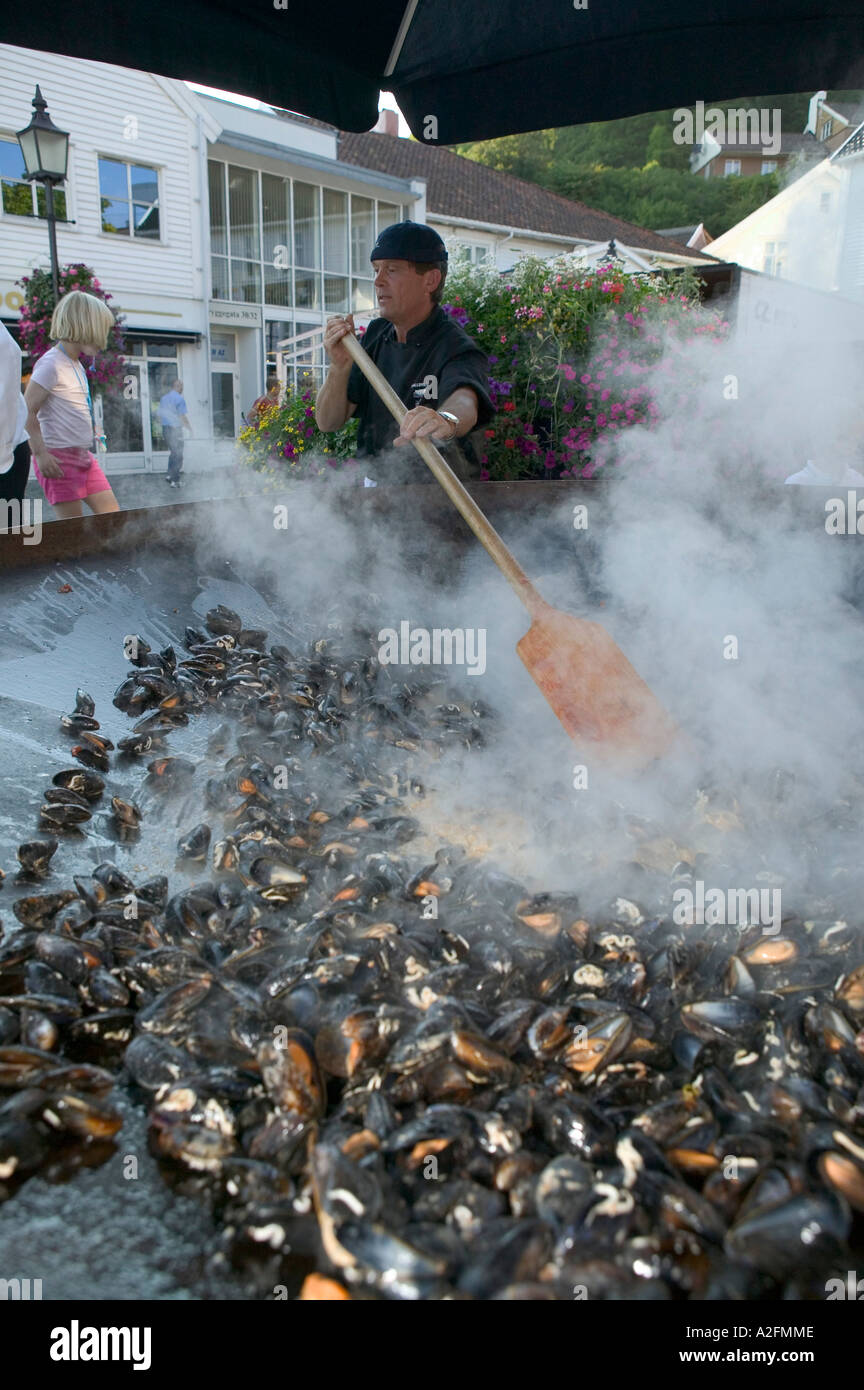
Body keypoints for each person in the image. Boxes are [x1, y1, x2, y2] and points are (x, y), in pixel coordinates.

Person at [316, 221, 494, 484]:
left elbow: (465, 400)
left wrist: (445, 419)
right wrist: (339, 367)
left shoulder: (454, 345)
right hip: (375, 493)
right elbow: (327, 421)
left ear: (430, 280)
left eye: (392, 269)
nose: (377, 281)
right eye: (376, 270)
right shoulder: (375, 336)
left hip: (438, 499)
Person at [25, 290, 120, 519]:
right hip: (58, 459)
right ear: (84, 326)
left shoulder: (75, 364)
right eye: (101, 332)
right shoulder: (50, 364)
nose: (103, 342)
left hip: (83, 457)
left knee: (113, 519)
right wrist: (40, 454)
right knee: (73, 534)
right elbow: (26, 411)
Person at [0, 320, 30, 507]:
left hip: (7, 452)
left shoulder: (3, 342)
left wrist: (3, 459)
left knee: (8, 532)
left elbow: (4, 403)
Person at [158, 378, 192, 487]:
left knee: (173, 452)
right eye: (181, 386)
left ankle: (169, 475)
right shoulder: (179, 399)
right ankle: (175, 481)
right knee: (178, 454)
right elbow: (182, 416)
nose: (182, 388)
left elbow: (159, 415)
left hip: (165, 429)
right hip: (175, 429)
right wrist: (190, 429)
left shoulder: (164, 398)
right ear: (177, 386)